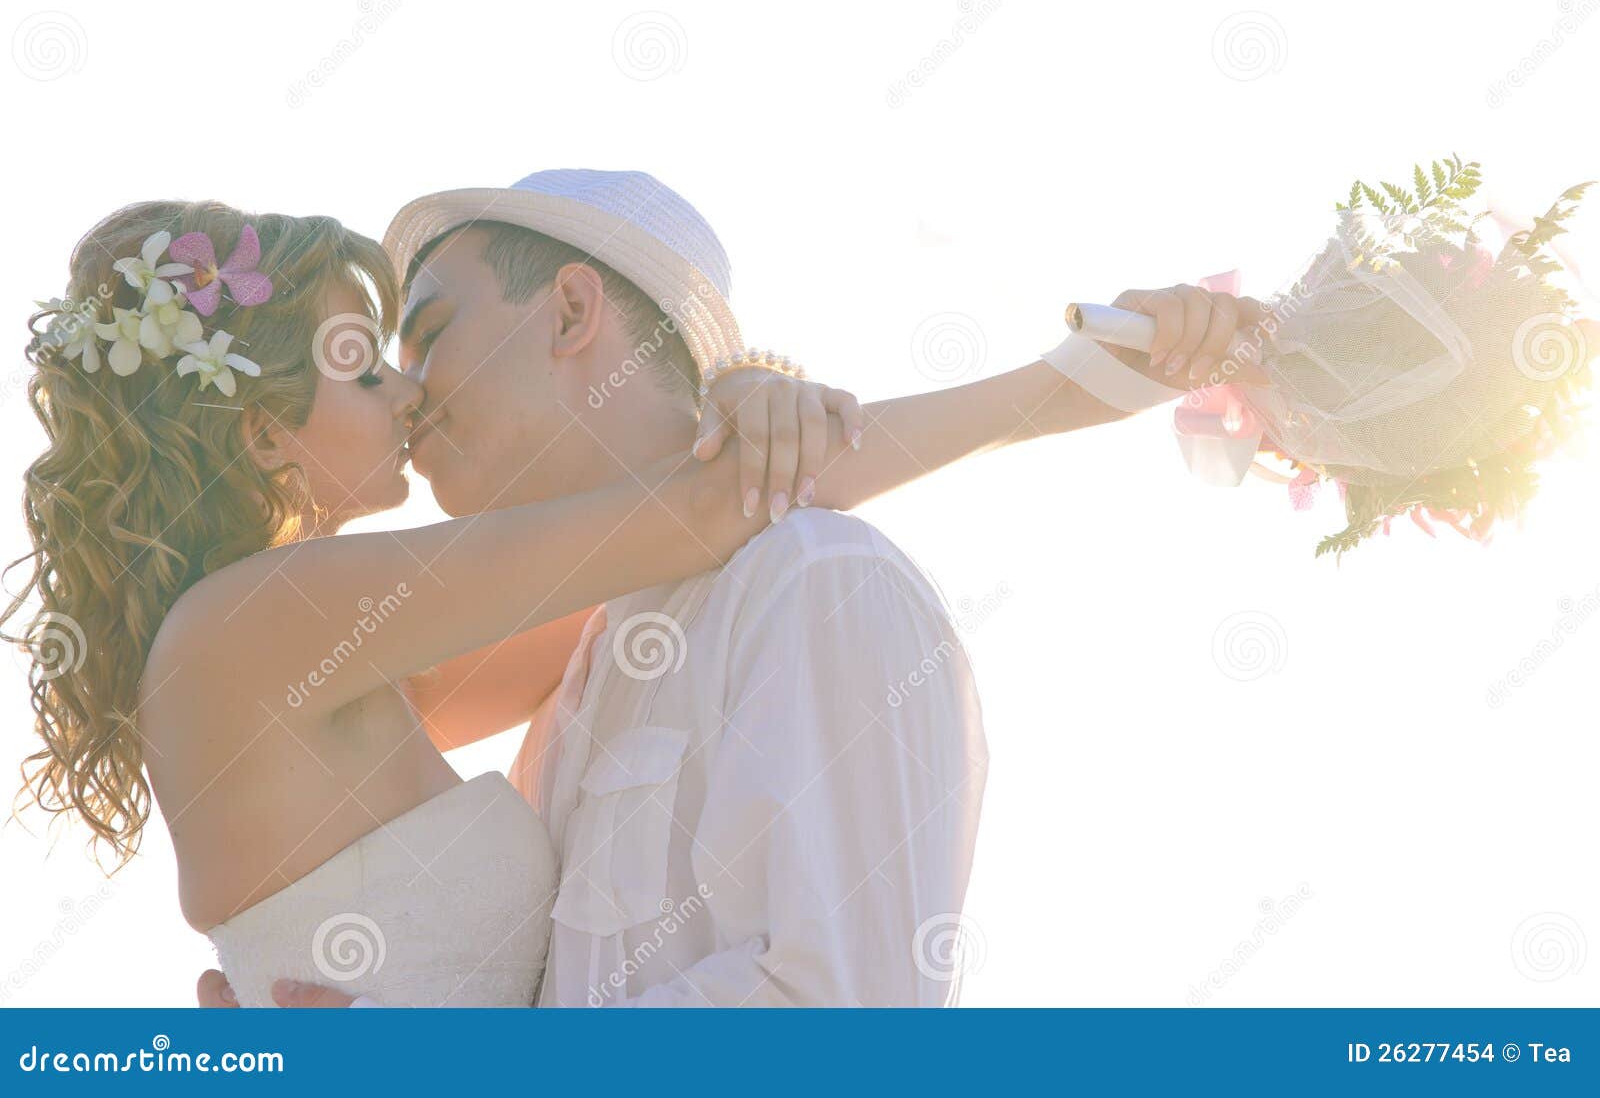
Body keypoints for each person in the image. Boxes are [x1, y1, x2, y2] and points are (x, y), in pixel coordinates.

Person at [12, 173, 1260, 1006]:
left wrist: (750, 402)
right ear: (260, 430)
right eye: (364, 364)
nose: (406, 391)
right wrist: (1064, 380)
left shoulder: (467, 651)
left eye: (420, 339)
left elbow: (709, 523)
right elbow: (717, 508)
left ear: (570, 312)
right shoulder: (270, 622)